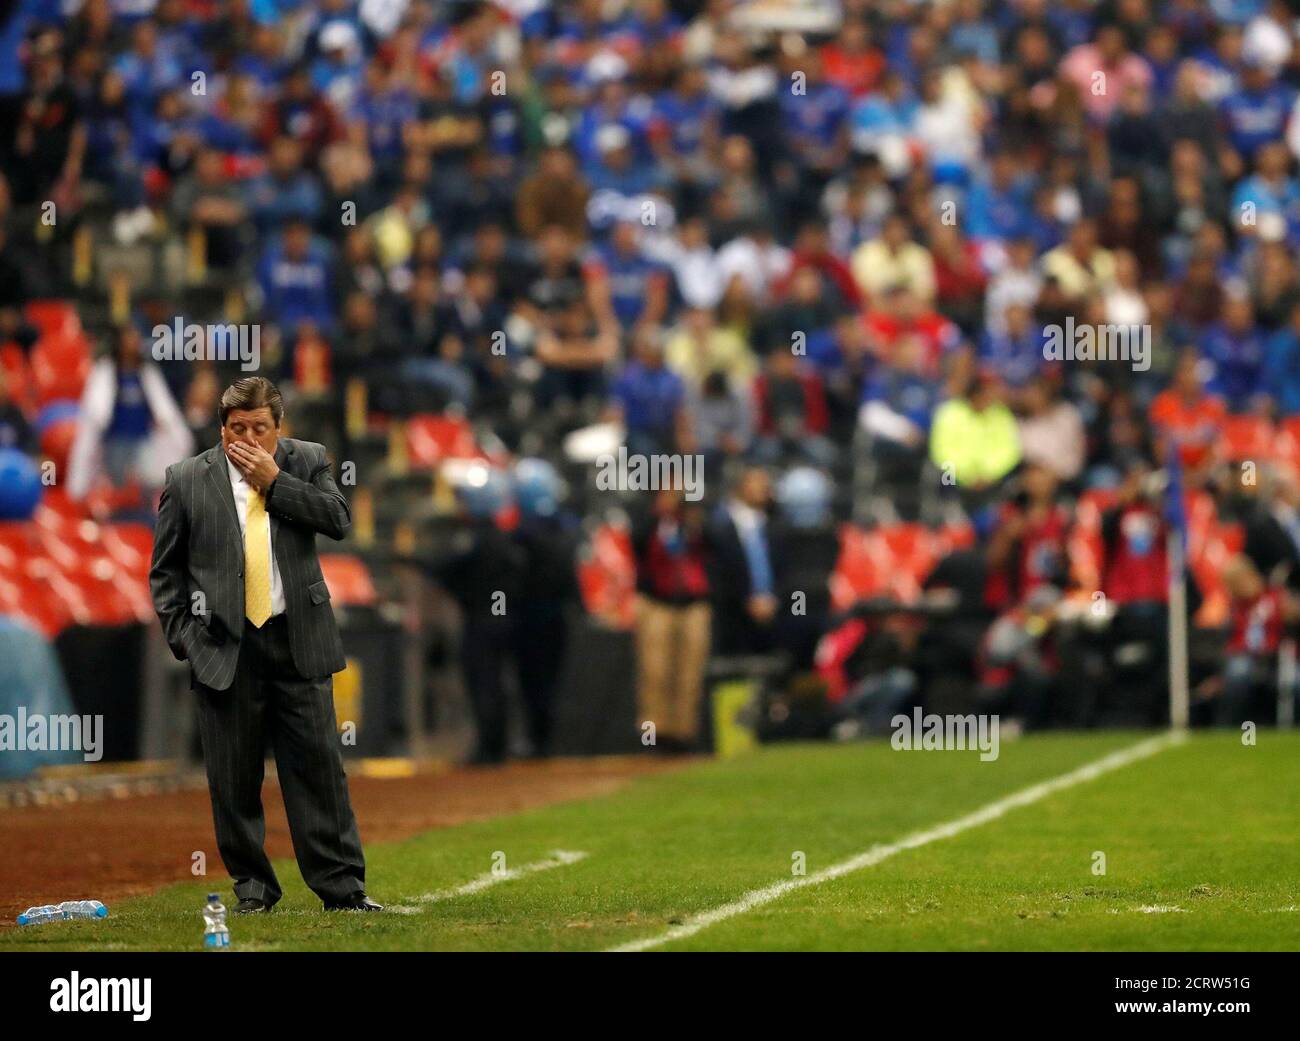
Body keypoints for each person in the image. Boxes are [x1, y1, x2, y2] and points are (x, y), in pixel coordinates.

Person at [149, 377, 379, 914]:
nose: (246, 438)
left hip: (297, 639)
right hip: (224, 646)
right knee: (233, 778)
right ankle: (253, 889)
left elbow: (339, 520)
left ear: (279, 428)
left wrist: (275, 482)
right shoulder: (186, 479)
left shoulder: (308, 459)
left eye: (259, 428)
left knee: (319, 769)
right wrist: (188, 640)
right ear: (221, 427)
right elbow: (165, 575)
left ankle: (343, 891)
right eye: (236, 428)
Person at [66, 322, 193, 501]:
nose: (136, 341)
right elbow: (96, 413)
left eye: (137, 337)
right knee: (120, 490)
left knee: (146, 488)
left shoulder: (147, 373)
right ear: (119, 342)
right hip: (116, 442)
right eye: (130, 338)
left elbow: (164, 410)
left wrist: (173, 432)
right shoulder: (105, 372)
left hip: (143, 440)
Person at [632, 488, 712, 753]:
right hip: (657, 603)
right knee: (655, 673)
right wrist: (660, 513)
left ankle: (684, 735)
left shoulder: (694, 526)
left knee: (689, 673)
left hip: (692, 605)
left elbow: (714, 546)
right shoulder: (653, 525)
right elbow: (637, 543)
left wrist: (690, 518)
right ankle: (653, 735)